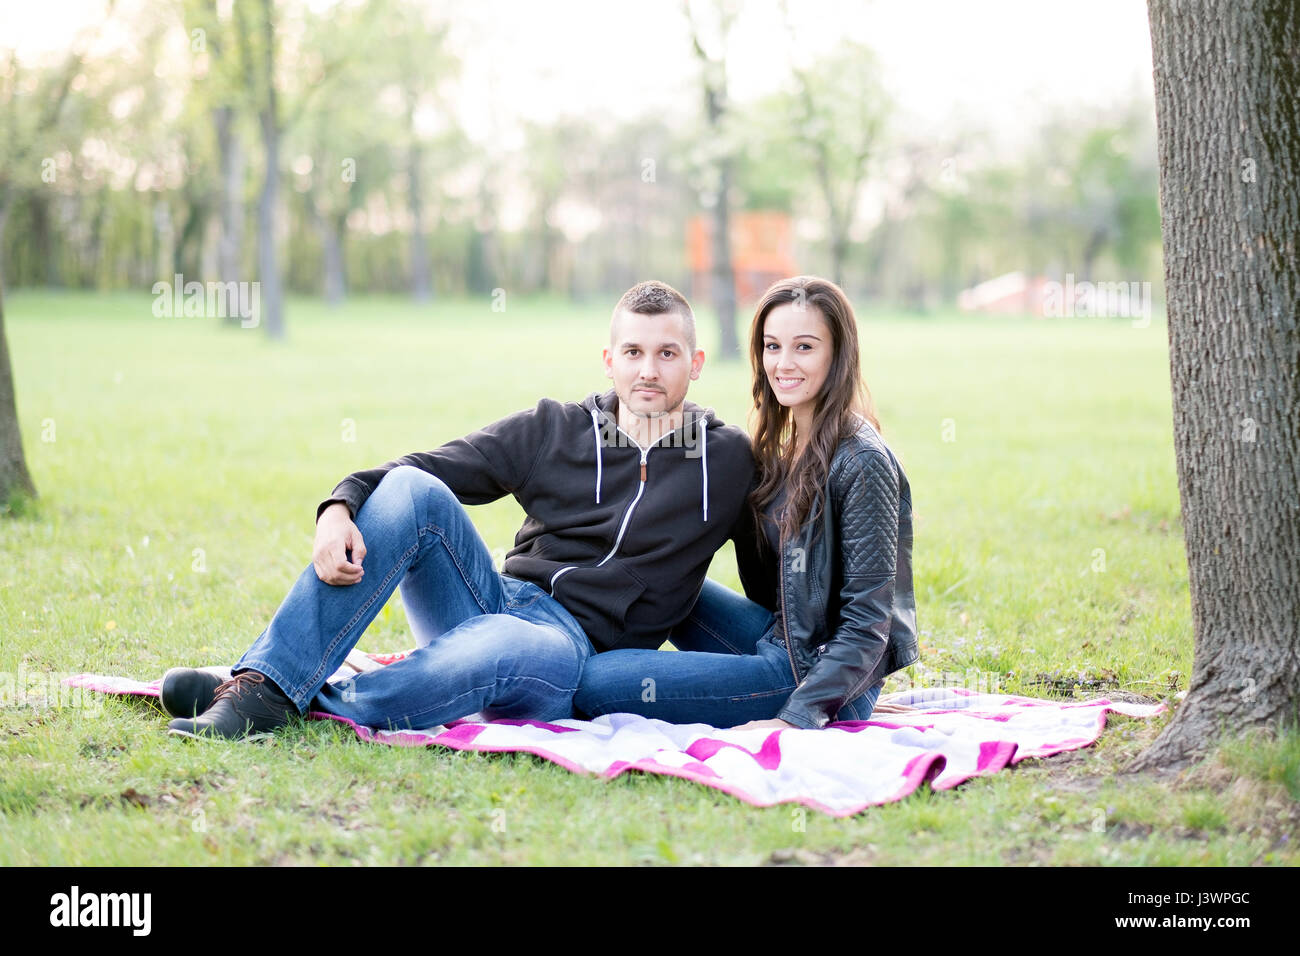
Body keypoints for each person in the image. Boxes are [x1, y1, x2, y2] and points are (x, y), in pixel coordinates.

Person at [162, 280, 756, 740]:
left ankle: (305, 698)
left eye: (667, 353)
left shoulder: (727, 462)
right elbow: (425, 467)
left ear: (696, 363)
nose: (648, 370)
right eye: (633, 351)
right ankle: (263, 685)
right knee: (414, 491)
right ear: (609, 359)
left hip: (570, 653)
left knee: (513, 644)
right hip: (496, 601)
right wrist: (337, 508)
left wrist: (823, 652)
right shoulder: (555, 428)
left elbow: (767, 571)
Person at [573, 276, 918, 730]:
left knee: (598, 683)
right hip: (785, 638)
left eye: (805, 347)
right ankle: (563, 644)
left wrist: (801, 713)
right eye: (773, 347)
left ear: (838, 355)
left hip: (817, 676)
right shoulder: (787, 445)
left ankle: (811, 700)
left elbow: (869, 622)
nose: (784, 363)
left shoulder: (862, 461)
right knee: (665, 581)